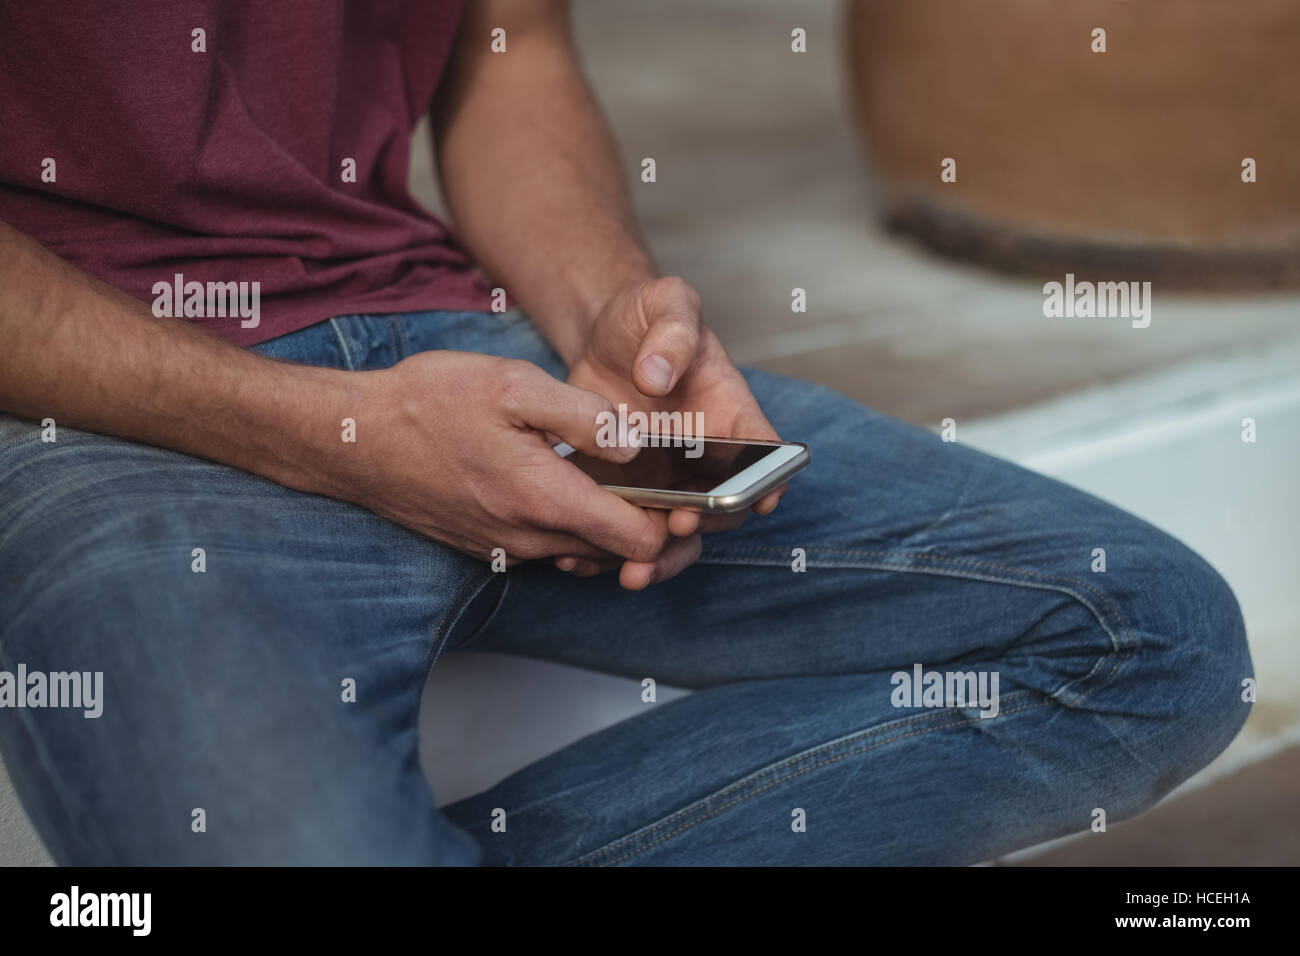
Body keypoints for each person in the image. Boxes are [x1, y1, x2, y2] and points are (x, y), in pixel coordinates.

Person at [0, 0, 1250, 865]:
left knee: (1149, 637)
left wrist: (613, 312)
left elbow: (513, 51)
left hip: (455, 346)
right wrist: (335, 430)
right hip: (118, 414)